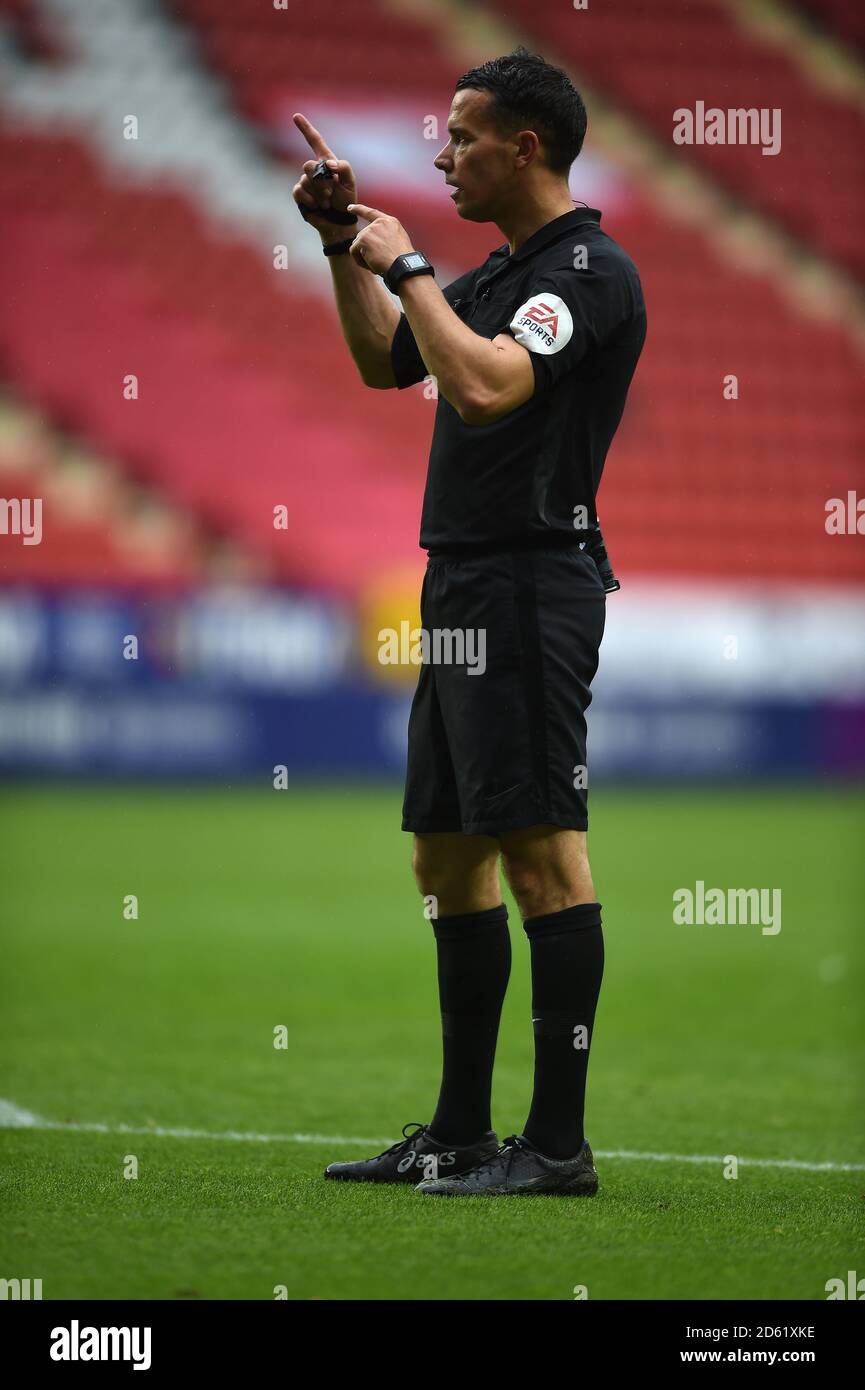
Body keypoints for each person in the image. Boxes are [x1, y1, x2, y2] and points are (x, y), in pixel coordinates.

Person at [293, 49, 646, 1196]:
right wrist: (345, 243)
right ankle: (457, 1130)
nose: (440, 156)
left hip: (532, 585)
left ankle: (555, 1148)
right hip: (458, 587)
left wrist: (410, 266)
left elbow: (488, 386)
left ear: (524, 147)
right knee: (446, 856)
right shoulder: (494, 275)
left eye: (459, 137)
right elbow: (382, 365)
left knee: (543, 852)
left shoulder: (586, 270)